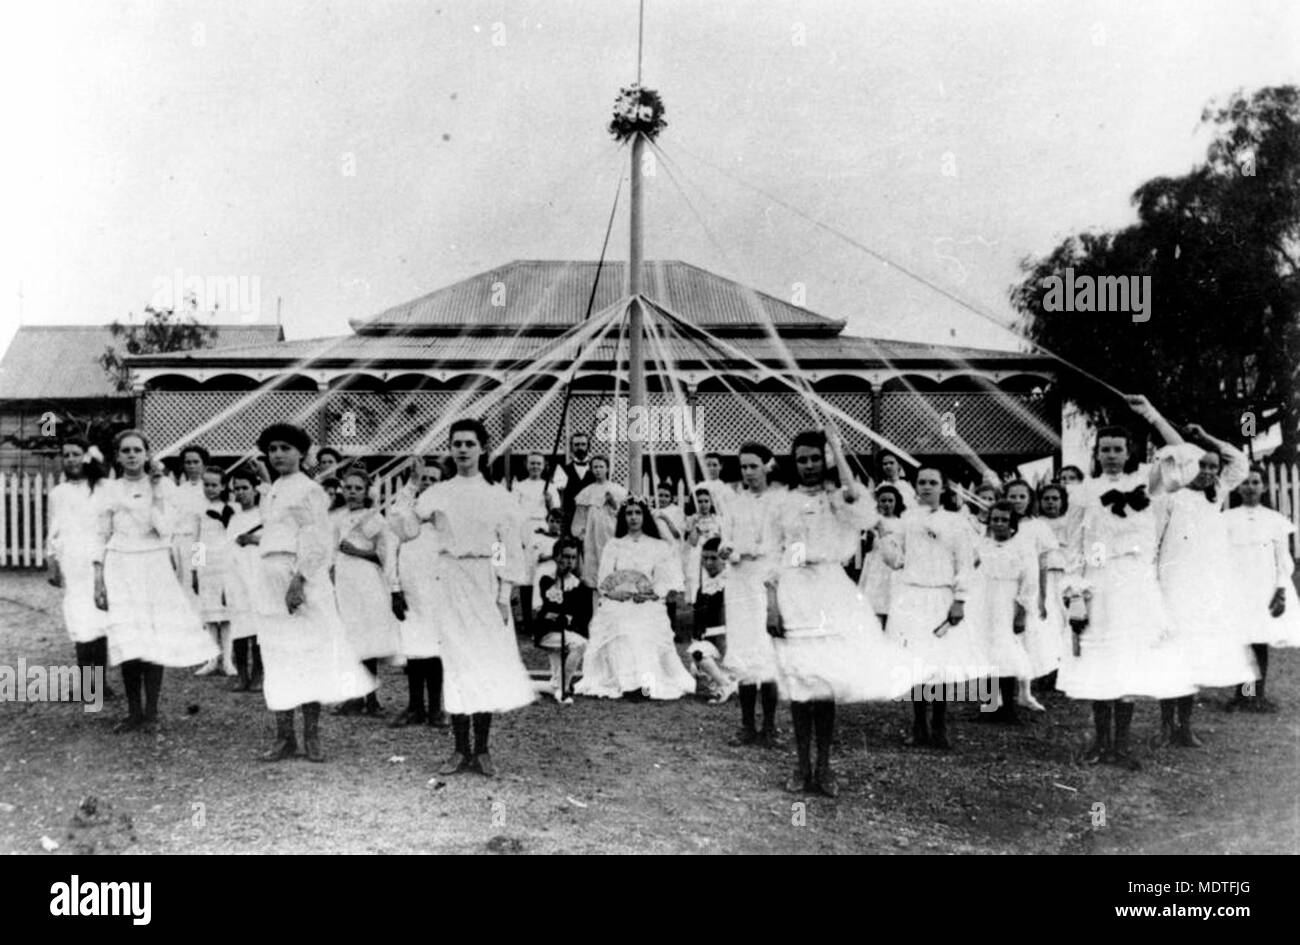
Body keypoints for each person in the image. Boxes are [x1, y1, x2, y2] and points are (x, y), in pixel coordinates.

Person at [766, 431, 916, 796]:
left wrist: (838, 450)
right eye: (802, 460)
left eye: (816, 458)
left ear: (826, 460)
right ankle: (802, 767)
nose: (809, 466)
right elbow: (773, 555)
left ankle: (825, 768)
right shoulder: (782, 504)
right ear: (794, 463)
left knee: (827, 681)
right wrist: (772, 604)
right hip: (795, 587)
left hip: (831, 589)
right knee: (802, 682)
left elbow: (863, 508)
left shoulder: (841, 499)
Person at [1057, 396, 1195, 770]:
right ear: (1097, 453)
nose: (1112, 455)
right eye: (1105, 450)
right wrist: (1075, 594)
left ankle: (1122, 745)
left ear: (1129, 449)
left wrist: (1151, 412)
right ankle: (1101, 743)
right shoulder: (1082, 492)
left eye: (1118, 449)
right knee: (1103, 661)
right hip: (1100, 581)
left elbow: (1184, 458)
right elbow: (1074, 549)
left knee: (1130, 661)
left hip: (1136, 582)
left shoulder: (1147, 483)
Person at [413, 419, 535, 777]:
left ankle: (482, 749)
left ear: (482, 448)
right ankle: (458, 748)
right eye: (457, 443)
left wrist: (502, 592)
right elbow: (405, 527)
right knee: (456, 664)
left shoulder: (497, 496)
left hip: (483, 581)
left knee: (483, 664)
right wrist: (410, 486)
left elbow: (504, 547)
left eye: (469, 443)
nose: (463, 449)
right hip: (449, 579)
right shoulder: (439, 492)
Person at [248, 423, 376, 763]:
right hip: (269, 578)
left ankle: (312, 735)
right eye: (273, 449)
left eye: (285, 449)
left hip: (299, 580)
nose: (278, 455)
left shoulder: (309, 490)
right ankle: (284, 737)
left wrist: (298, 580)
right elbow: (275, 534)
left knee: (308, 655)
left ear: (301, 453)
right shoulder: (274, 488)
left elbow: (316, 539)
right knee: (279, 657)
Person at [92, 430, 219, 733]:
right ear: (118, 456)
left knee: (154, 636)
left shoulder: (164, 487)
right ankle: (134, 711)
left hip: (153, 563)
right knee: (129, 637)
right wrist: (98, 579)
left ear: (148, 454)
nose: (132, 455)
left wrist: (158, 488)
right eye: (126, 451)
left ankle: (151, 711)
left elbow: (165, 529)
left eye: (138, 450)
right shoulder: (108, 489)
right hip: (120, 564)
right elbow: (99, 534)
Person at [1151, 425, 1254, 747]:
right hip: (1173, 586)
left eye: (1212, 466)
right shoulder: (1171, 497)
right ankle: (1167, 723)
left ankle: (1185, 725)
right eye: (1203, 465)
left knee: (1195, 655)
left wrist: (1207, 437)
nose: (1209, 471)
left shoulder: (1218, 494)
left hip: (1205, 587)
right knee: (1172, 654)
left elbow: (1238, 460)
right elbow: (1154, 543)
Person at [883, 465, 984, 750]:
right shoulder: (906, 520)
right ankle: (919, 725)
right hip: (912, 597)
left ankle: (939, 725)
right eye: (922, 482)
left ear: (943, 488)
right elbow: (895, 561)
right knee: (917, 662)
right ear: (915, 487)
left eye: (932, 482)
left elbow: (965, 563)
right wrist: (885, 537)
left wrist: (960, 599)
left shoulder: (955, 522)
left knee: (940, 663)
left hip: (941, 596)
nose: (926, 487)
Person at [576, 496, 695, 701]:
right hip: (619, 602)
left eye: (637, 513)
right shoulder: (614, 544)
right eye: (629, 513)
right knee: (621, 628)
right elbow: (605, 579)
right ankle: (627, 684)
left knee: (643, 632)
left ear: (644, 516)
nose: (633, 517)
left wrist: (649, 594)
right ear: (623, 517)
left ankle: (646, 686)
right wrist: (614, 593)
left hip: (646, 603)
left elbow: (662, 581)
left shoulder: (657, 546)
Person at [720, 443, 782, 746]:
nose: (748, 472)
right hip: (740, 582)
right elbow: (726, 540)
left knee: (767, 651)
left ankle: (769, 727)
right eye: (743, 467)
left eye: (753, 466)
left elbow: (783, 544)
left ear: (767, 466)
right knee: (744, 651)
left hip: (767, 580)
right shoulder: (734, 503)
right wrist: (727, 548)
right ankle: (747, 726)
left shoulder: (779, 502)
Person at [1224, 466, 1300, 712]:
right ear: (1238, 487)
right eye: (1245, 482)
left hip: (1263, 586)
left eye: (1255, 482)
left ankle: (1258, 695)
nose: (1250, 487)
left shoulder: (1274, 520)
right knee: (1241, 639)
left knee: (1259, 639)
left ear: (1264, 487)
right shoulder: (1227, 518)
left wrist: (1279, 589)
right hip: (1237, 586)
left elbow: (1283, 559)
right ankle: (1242, 694)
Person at [330, 468, 404, 716]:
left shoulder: (373, 518)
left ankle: (371, 698)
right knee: (350, 639)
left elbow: (386, 554)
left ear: (367, 491)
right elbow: (331, 549)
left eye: (358, 488)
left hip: (366, 581)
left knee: (366, 639)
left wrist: (357, 552)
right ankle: (355, 697)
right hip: (344, 582)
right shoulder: (338, 516)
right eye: (348, 488)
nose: (352, 493)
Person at [46, 437, 112, 702]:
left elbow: (106, 527)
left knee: (100, 619)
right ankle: (89, 685)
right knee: (79, 618)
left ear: (86, 457)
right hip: (72, 561)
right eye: (66, 455)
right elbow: (54, 529)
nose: (71, 459)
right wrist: (52, 560)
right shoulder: (58, 493)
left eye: (76, 454)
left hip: (98, 560)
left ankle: (100, 684)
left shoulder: (102, 489)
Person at [386, 456, 448, 728]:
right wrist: (394, 589)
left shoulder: (447, 510)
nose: (429, 483)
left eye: (434, 479)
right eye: (425, 478)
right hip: (410, 589)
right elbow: (392, 546)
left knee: (435, 650)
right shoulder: (405, 511)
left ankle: (435, 708)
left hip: (437, 589)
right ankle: (414, 707)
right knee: (413, 649)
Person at [973, 501, 1035, 725]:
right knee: (985, 650)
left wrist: (1021, 611)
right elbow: (971, 570)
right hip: (983, 600)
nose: (999, 524)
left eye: (1004, 520)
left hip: (1008, 601)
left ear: (1013, 523)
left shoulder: (1022, 547)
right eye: (995, 519)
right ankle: (989, 705)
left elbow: (1029, 581)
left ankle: (1009, 707)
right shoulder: (982, 545)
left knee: (1006, 652)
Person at [1004, 479, 1063, 709]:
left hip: (1027, 588)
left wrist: (1041, 596)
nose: (1017, 501)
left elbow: (1042, 564)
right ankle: (995, 697)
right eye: (1012, 496)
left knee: (1025, 639)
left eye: (1021, 496)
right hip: (1002, 586)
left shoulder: (1037, 527)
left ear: (1029, 500)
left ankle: (1025, 693)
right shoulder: (1000, 523)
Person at [532, 537, 591, 702]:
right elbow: (542, 610)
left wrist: (563, 617)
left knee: (555, 682)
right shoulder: (546, 579)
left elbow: (581, 616)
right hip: (546, 632)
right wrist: (558, 616)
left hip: (566, 632)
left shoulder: (578, 585)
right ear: (557, 557)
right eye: (565, 556)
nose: (569, 561)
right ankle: (564, 689)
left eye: (573, 557)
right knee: (579, 644)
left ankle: (531, 686)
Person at [194, 465, 237, 677]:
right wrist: (196, 569)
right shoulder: (199, 509)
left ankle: (227, 660)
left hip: (225, 564)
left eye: (214, 485)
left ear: (223, 486)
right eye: (206, 484)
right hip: (206, 566)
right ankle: (212, 659)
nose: (210, 489)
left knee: (226, 615)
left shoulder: (231, 508)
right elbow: (197, 539)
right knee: (210, 615)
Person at [224, 466, 264, 693]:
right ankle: (235, 670)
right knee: (237, 625)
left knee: (256, 625)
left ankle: (258, 673)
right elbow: (198, 541)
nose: (240, 493)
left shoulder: (263, 514)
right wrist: (195, 570)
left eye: (244, 488)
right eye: (236, 489)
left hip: (255, 575)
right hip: (223, 572)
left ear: (255, 489)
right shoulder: (232, 517)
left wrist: (253, 539)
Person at [687, 537, 738, 703]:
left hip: (730, 643)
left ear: (723, 559)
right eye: (705, 558)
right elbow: (698, 620)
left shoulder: (730, 583)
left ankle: (725, 684)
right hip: (711, 643)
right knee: (696, 662)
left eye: (713, 558)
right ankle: (724, 682)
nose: (708, 563)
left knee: (699, 654)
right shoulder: (704, 587)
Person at [572, 456, 627, 601]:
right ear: (591, 469)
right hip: (592, 536)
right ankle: (597, 608)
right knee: (595, 567)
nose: (598, 470)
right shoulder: (587, 492)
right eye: (595, 467)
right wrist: (581, 534)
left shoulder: (617, 490)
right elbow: (580, 518)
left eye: (601, 467)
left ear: (607, 468)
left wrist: (613, 503)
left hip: (611, 532)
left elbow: (622, 515)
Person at [858, 484, 905, 629]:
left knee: (893, 607)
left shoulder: (902, 523)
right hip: (875, 567)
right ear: (877, 502)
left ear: (896, 502)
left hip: (893, 568)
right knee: (874, 605)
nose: (887, 504)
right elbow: (865, 549)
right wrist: (870, 537)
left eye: (890, 500)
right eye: (883, 500)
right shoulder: (873, 522)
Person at [684, 485, 725, 604]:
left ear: (711, 502)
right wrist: (694, 525)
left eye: (706, 501)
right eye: (699, 502)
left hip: (714, 553)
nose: (703, 504)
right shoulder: (693, 519)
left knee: (716, 585)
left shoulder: (717, 519)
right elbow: (693, 542)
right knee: (698, 582)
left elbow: (722, 538)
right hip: (699, 554)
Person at [552, 432, 595, 531]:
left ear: (588, 446)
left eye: (583, 444)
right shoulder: (562, 469)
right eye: (576, 445)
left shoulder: (596, 470)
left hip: (591, 518)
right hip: (569, 520)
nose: (580, 447)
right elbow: (559, 496)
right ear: (571, 447)